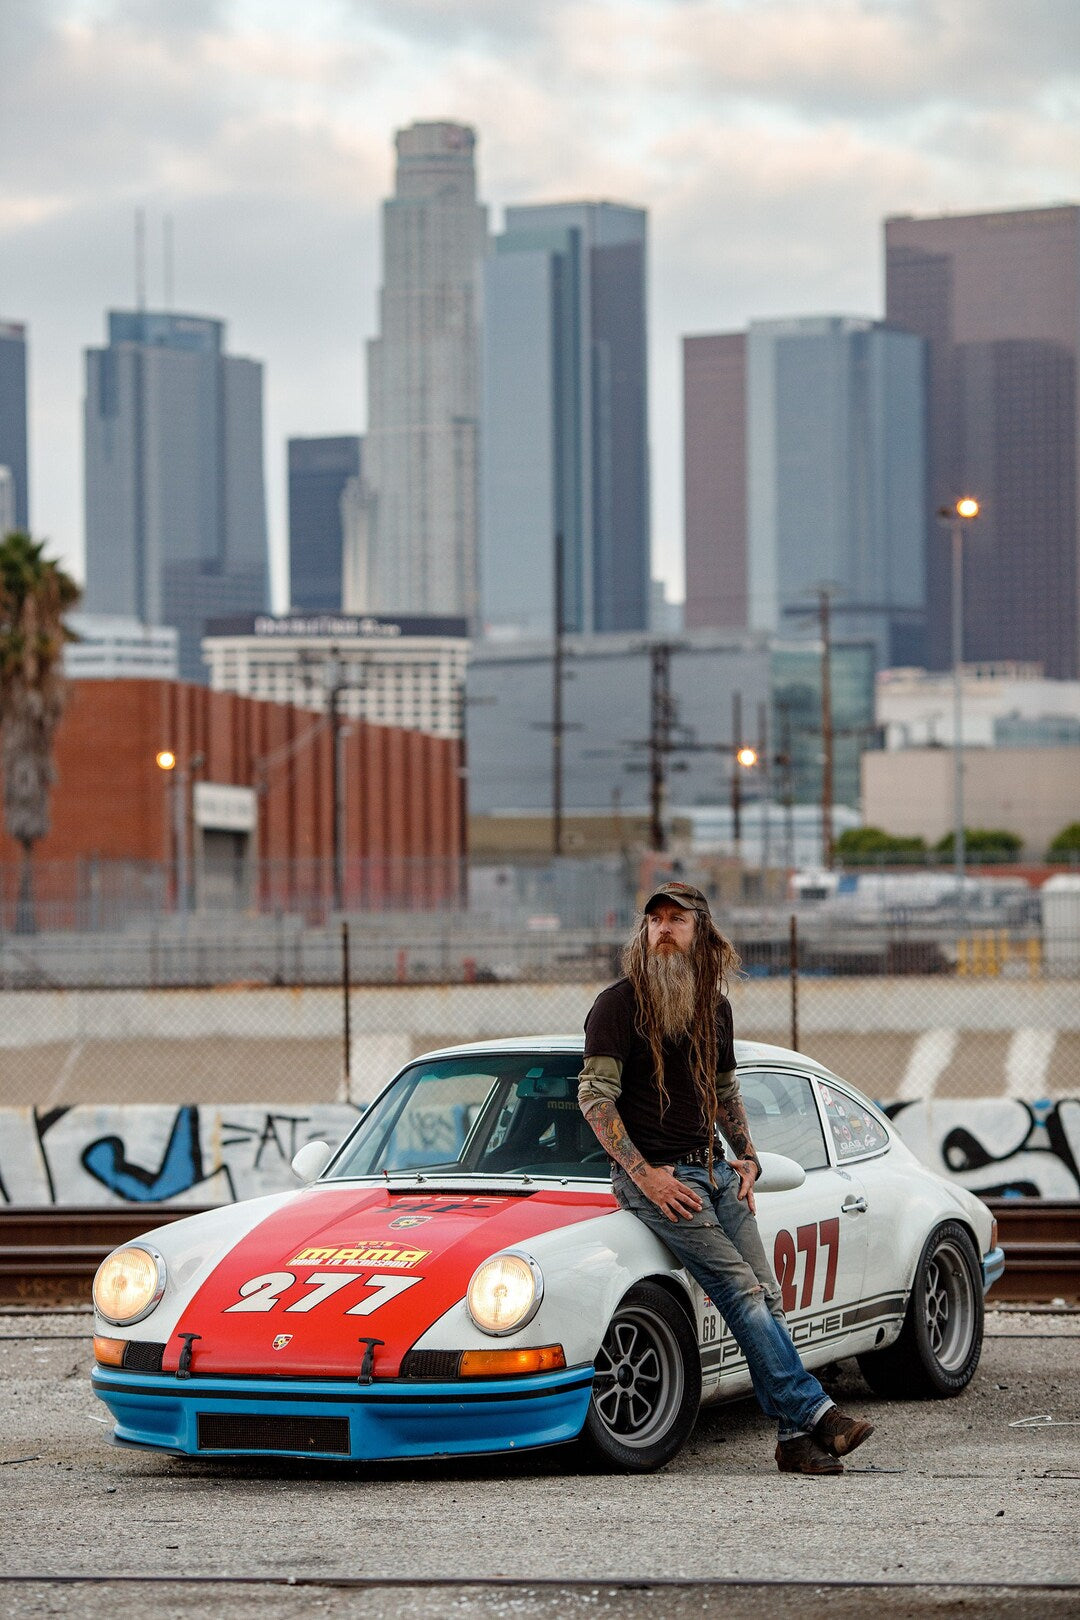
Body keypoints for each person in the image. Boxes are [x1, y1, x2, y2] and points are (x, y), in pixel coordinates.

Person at [578, 879, 876, 1474]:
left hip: (715, 1171)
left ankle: (794, 1441)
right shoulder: (616, 1005)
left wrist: (749, 1156)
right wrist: (646, 1177)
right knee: (740, 1290)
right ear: (644, 932)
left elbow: (722, 1092)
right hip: (659, 1181)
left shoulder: (715, 1006)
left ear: (700, 933)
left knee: (766, 1298)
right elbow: (595, 1100)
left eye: (677, 920)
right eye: (655, 920)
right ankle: (817, 1415)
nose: (664, 929)